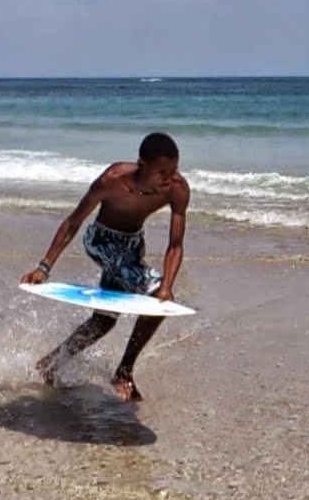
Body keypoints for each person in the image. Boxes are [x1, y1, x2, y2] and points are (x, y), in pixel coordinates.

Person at [21, 132, 189, 402]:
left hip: (133, 247)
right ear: (142, 165)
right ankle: (123, 372)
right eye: (162, 172)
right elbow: (73, 222)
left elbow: (176, 245)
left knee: (104, 321)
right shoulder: (111, 181)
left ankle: (51, 363)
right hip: (101, 239)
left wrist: (168, 286)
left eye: (174, 170)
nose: (170, 178)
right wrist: (44, 267)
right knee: (154, 290)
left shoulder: (177, 189)